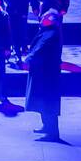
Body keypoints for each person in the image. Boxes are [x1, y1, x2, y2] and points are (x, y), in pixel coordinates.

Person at [25, 8, 64, 140]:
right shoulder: (47, 31)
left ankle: (52, 132)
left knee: (48, 102)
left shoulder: (52, 34)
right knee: (43, 101)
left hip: (47, 75)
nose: (41, 19)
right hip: (42, 72)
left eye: (44, 18)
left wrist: (28, 59)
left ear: (51, 20)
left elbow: (40, 49)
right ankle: (46, 126)